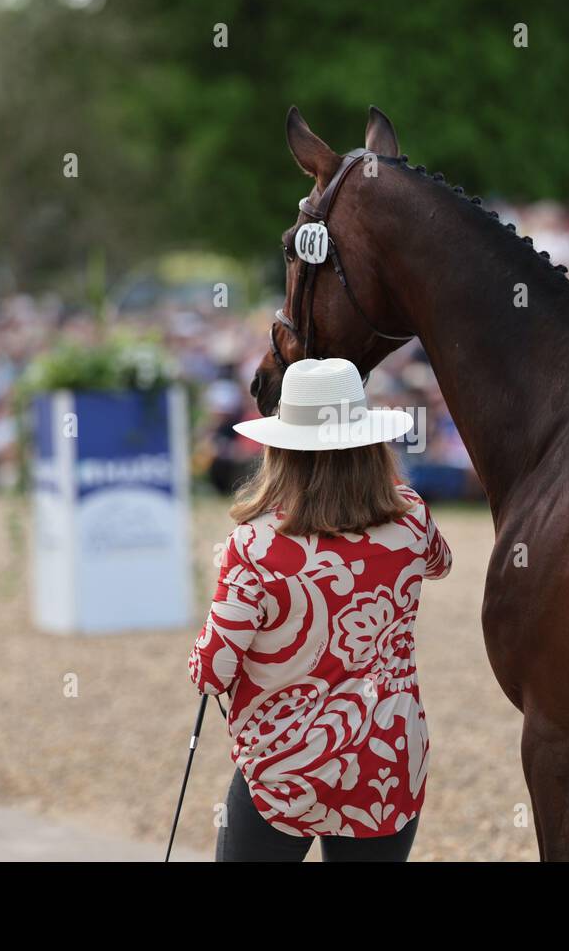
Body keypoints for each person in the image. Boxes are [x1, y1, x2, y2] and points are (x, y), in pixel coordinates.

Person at [187, 358, 451, 862]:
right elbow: (440, 564)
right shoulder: (412, 519)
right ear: (369, 443)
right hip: (386, 755)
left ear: (283, 451)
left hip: (284, 762)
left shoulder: (254, 545)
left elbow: (213, 671)